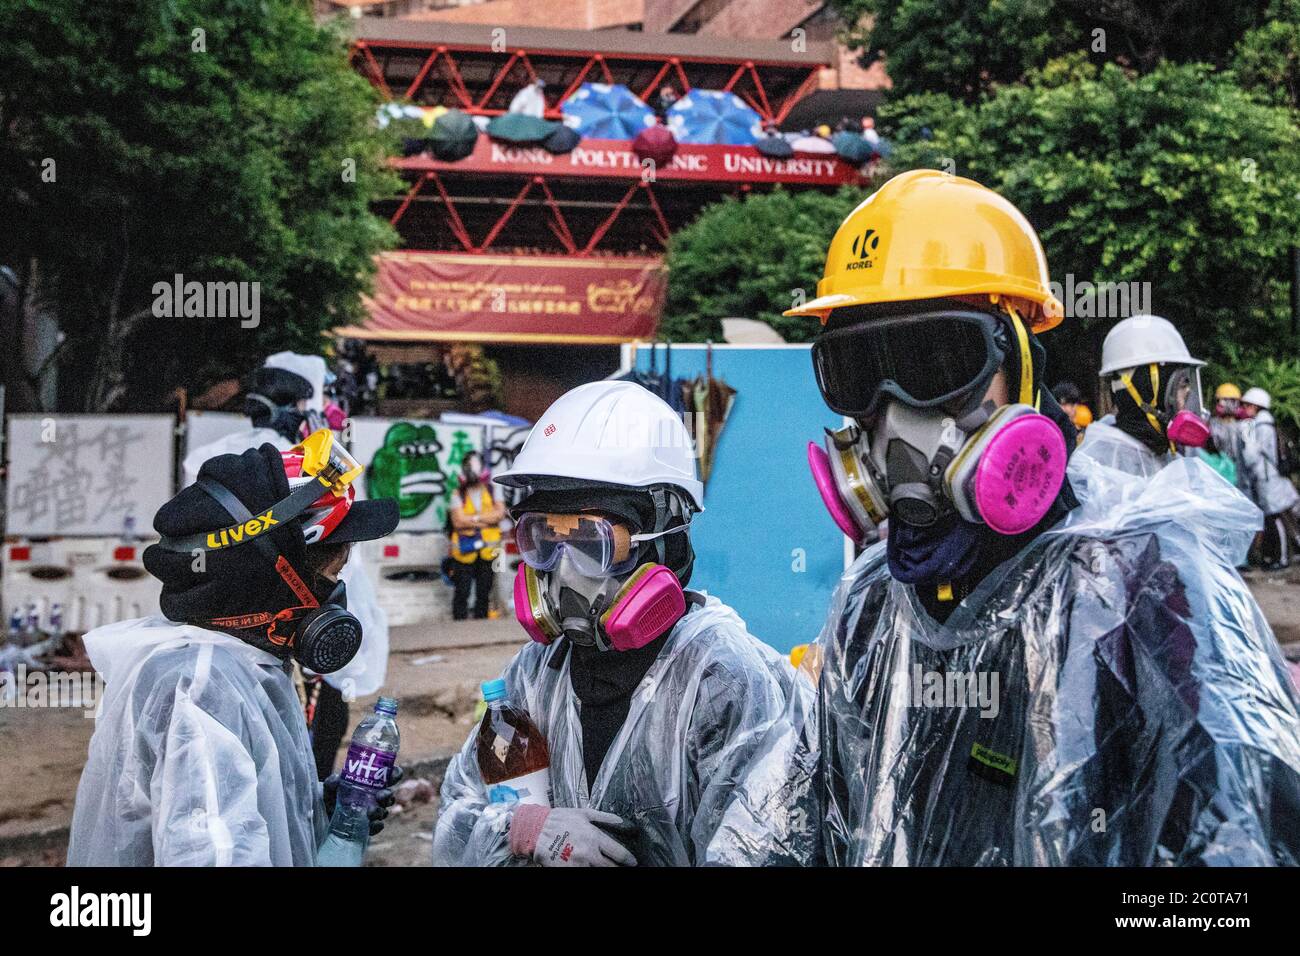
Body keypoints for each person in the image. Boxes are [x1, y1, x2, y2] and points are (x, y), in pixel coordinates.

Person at [742, 169, 1300, 866]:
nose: (895, 417)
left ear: (1024, 368)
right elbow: (807, 836)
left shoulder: (1150, 589)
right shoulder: (871, 607)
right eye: (857, 369)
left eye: (936, 359)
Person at [433, 381, 793, 867]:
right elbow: (458, 818)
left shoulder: (725, 681)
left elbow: (763, 851)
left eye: (590, 540)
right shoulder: (536, 673)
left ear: (665, 540)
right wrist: (521, 828)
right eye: (541, 536)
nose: (562, 570)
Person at [68, 432, 402, 865]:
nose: (337, 589)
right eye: (334, 567)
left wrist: (312, 806)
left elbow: (234, 815)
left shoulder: (240, 666)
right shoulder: (203, 690)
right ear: (279, 574)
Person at [182, 352, 391, 779]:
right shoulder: (309, 468)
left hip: (229, 633)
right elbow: (342, 570)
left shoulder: (215, 461)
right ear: (303, 408)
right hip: (299, 642)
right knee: (307, 747)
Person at [1071, 314, 1211, 483]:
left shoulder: (1166, 455)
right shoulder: (1099, 466)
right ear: (1146, 388)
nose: (1188, 395)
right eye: (1182, 385)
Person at [1240, 387, 1300, 569]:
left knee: (1275, 517)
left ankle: (1281, 558)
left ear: (1256, 407)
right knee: (1285, 515)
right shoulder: (1270, 424)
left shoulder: (1251, 425)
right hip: (1276, 476)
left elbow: (1250, 456)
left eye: (1248, 405)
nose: (1244, 408)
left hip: (1266, 478)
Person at [447, 450, 505, 620]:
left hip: (488, 551)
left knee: (484, 591)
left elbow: (500, 514)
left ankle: (480, 629)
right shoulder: (457, 493)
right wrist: (487, 520)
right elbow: (457, 522)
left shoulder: (494, 490)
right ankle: (458, 629)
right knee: (462, 592)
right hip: (464, 551)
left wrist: (472, 519)